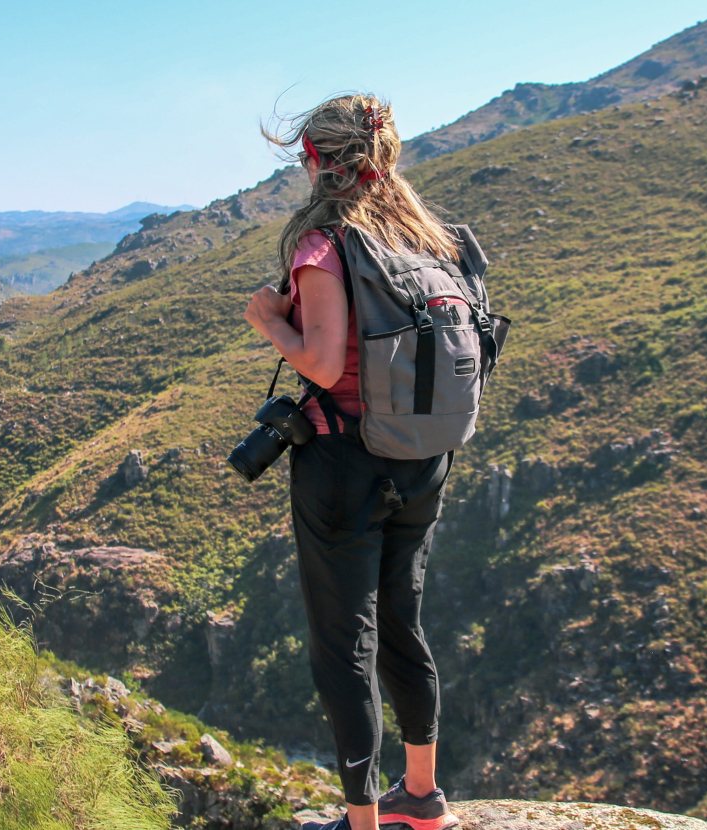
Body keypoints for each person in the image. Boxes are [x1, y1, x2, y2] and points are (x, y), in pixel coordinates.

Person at [243, 93, 467, 830]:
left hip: (344, 460)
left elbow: (320, 354)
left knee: (345, 643)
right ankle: (423, 796)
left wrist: (269, 320)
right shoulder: (430, 239)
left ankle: (363, 821)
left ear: (317, 162)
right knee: (404, 620)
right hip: (422, 455)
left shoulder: (324, 246)